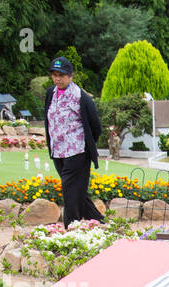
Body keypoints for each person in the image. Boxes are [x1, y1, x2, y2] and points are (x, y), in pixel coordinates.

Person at [42, 56, 102, 227]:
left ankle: (71, 226)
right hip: (57, 150)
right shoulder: (50, 93)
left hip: (77, 151)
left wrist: (85, 144)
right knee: (76, 190)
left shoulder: (81, 97)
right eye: (54, 75)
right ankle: (98, 220)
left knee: (69, 189)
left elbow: (95, 126)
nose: (57, 79)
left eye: (61, 75)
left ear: (71, 76)